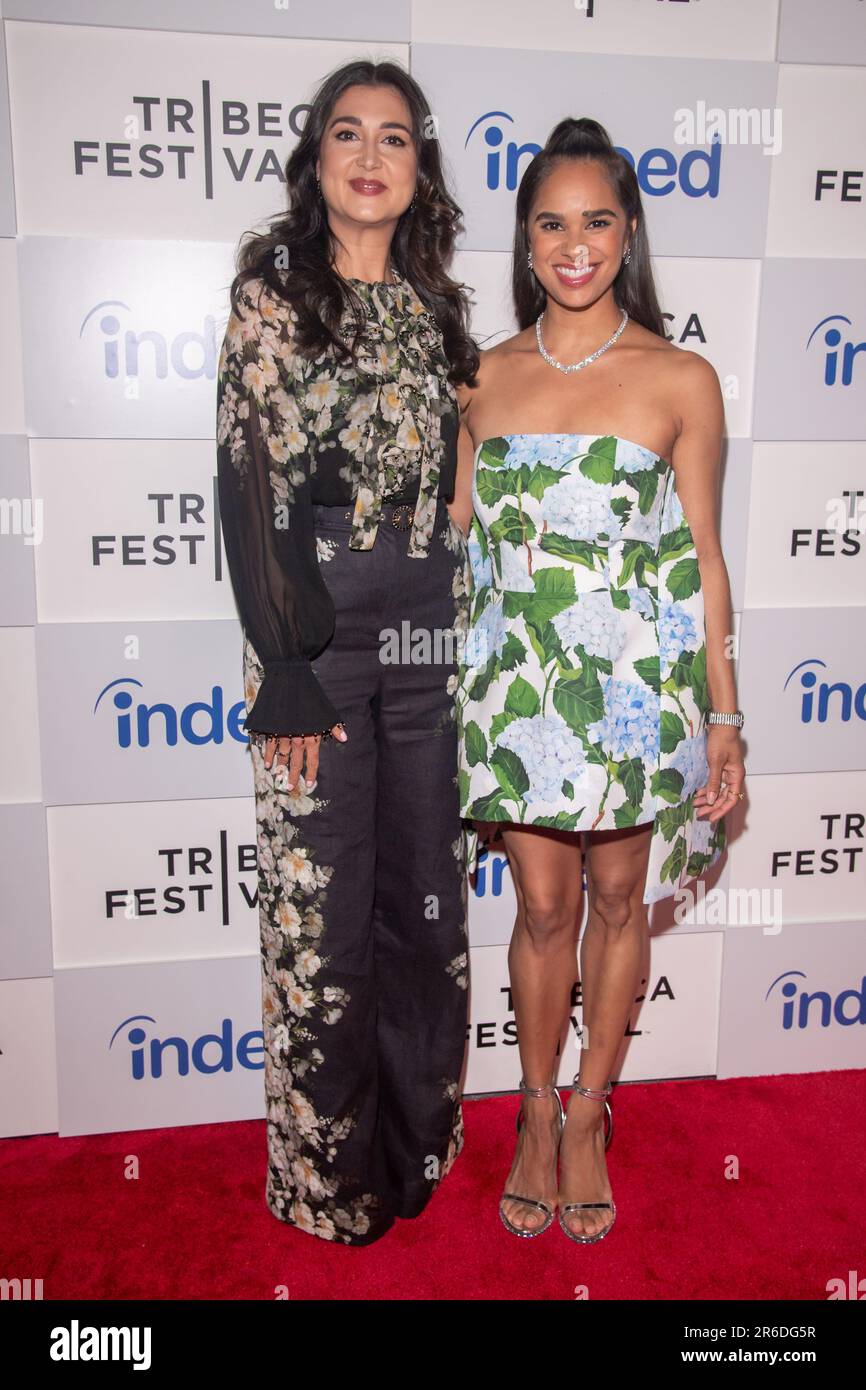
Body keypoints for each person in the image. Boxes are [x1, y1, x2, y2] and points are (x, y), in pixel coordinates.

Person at [451, 117, 744, 1243]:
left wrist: (721, 714)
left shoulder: (677, 376)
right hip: (517, 682)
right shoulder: (478, 375)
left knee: (618, 899)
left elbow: (703, 557)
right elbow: (450, 542)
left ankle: (587, 1115)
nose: (574, 245)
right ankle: (530, 1108)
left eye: (597, 221)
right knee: (540, 906)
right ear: (525, 241)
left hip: (630, 689)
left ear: (627, 235)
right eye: (550, 223)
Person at [216, 59, 478, 1246]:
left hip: (429, 631)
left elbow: (458, 477)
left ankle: (412, 1152)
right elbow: (249, 482)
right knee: (321, 915)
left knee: (422, 908)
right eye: (346, 135)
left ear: (418, 171)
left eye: (395, 139)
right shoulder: (273, 298)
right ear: (315, 160)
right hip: (311, 638)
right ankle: (329, 1181)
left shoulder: (439, 315)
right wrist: (284, 672)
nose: (370, 156)